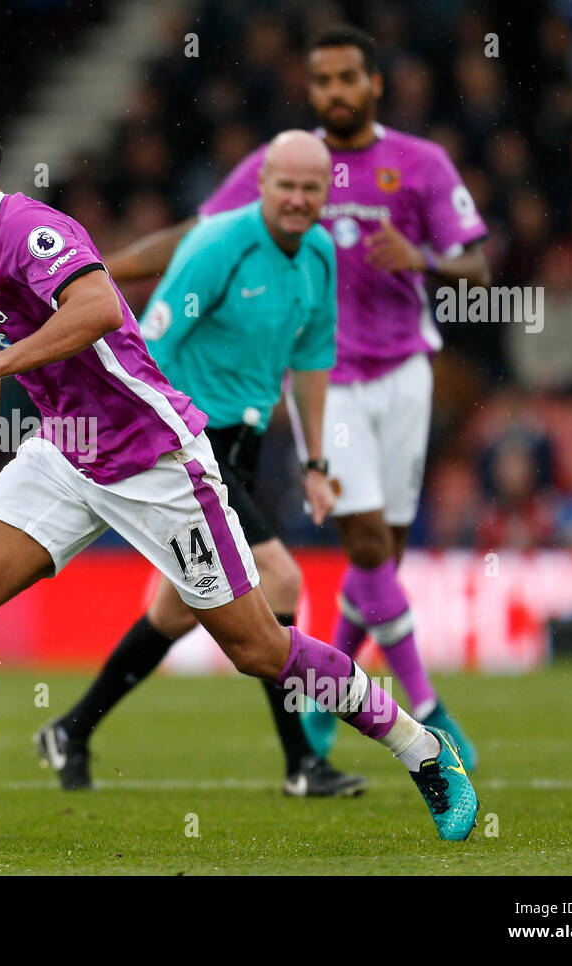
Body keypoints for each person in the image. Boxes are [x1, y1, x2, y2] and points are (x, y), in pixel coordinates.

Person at [0, 109, 477, 843]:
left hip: (155, 456)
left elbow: (93, 305)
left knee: (257, 647)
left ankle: (421, 748)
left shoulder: (30, 230)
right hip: (67, 451)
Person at [104, 26, 491, 769]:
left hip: (407, 373)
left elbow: (477, 265)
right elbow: (197, 232)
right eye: (324, 81)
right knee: (368, 543)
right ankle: (430, 707)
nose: (337, 92)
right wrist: (102, 268)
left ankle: (324, 693)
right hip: (328, 378)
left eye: (350, 78)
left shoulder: (421, 164)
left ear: (375, 84)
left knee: (383, 561)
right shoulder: (280, 161)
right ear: (310, 90)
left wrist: (426, 259)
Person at [36, 131, 366, 799]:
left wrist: (315, 461)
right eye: (287, 185)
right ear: (262, 183)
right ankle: (302, 761)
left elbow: (311, 360)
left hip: (243, 445)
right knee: (279, 579)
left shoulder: (322, 257)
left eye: (313, 188)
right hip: (188, 439)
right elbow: (146, 343)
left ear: (328, 194)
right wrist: (152, 441)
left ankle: (71, 730)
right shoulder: (218, 245)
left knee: (176, 610)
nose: (299, 199)